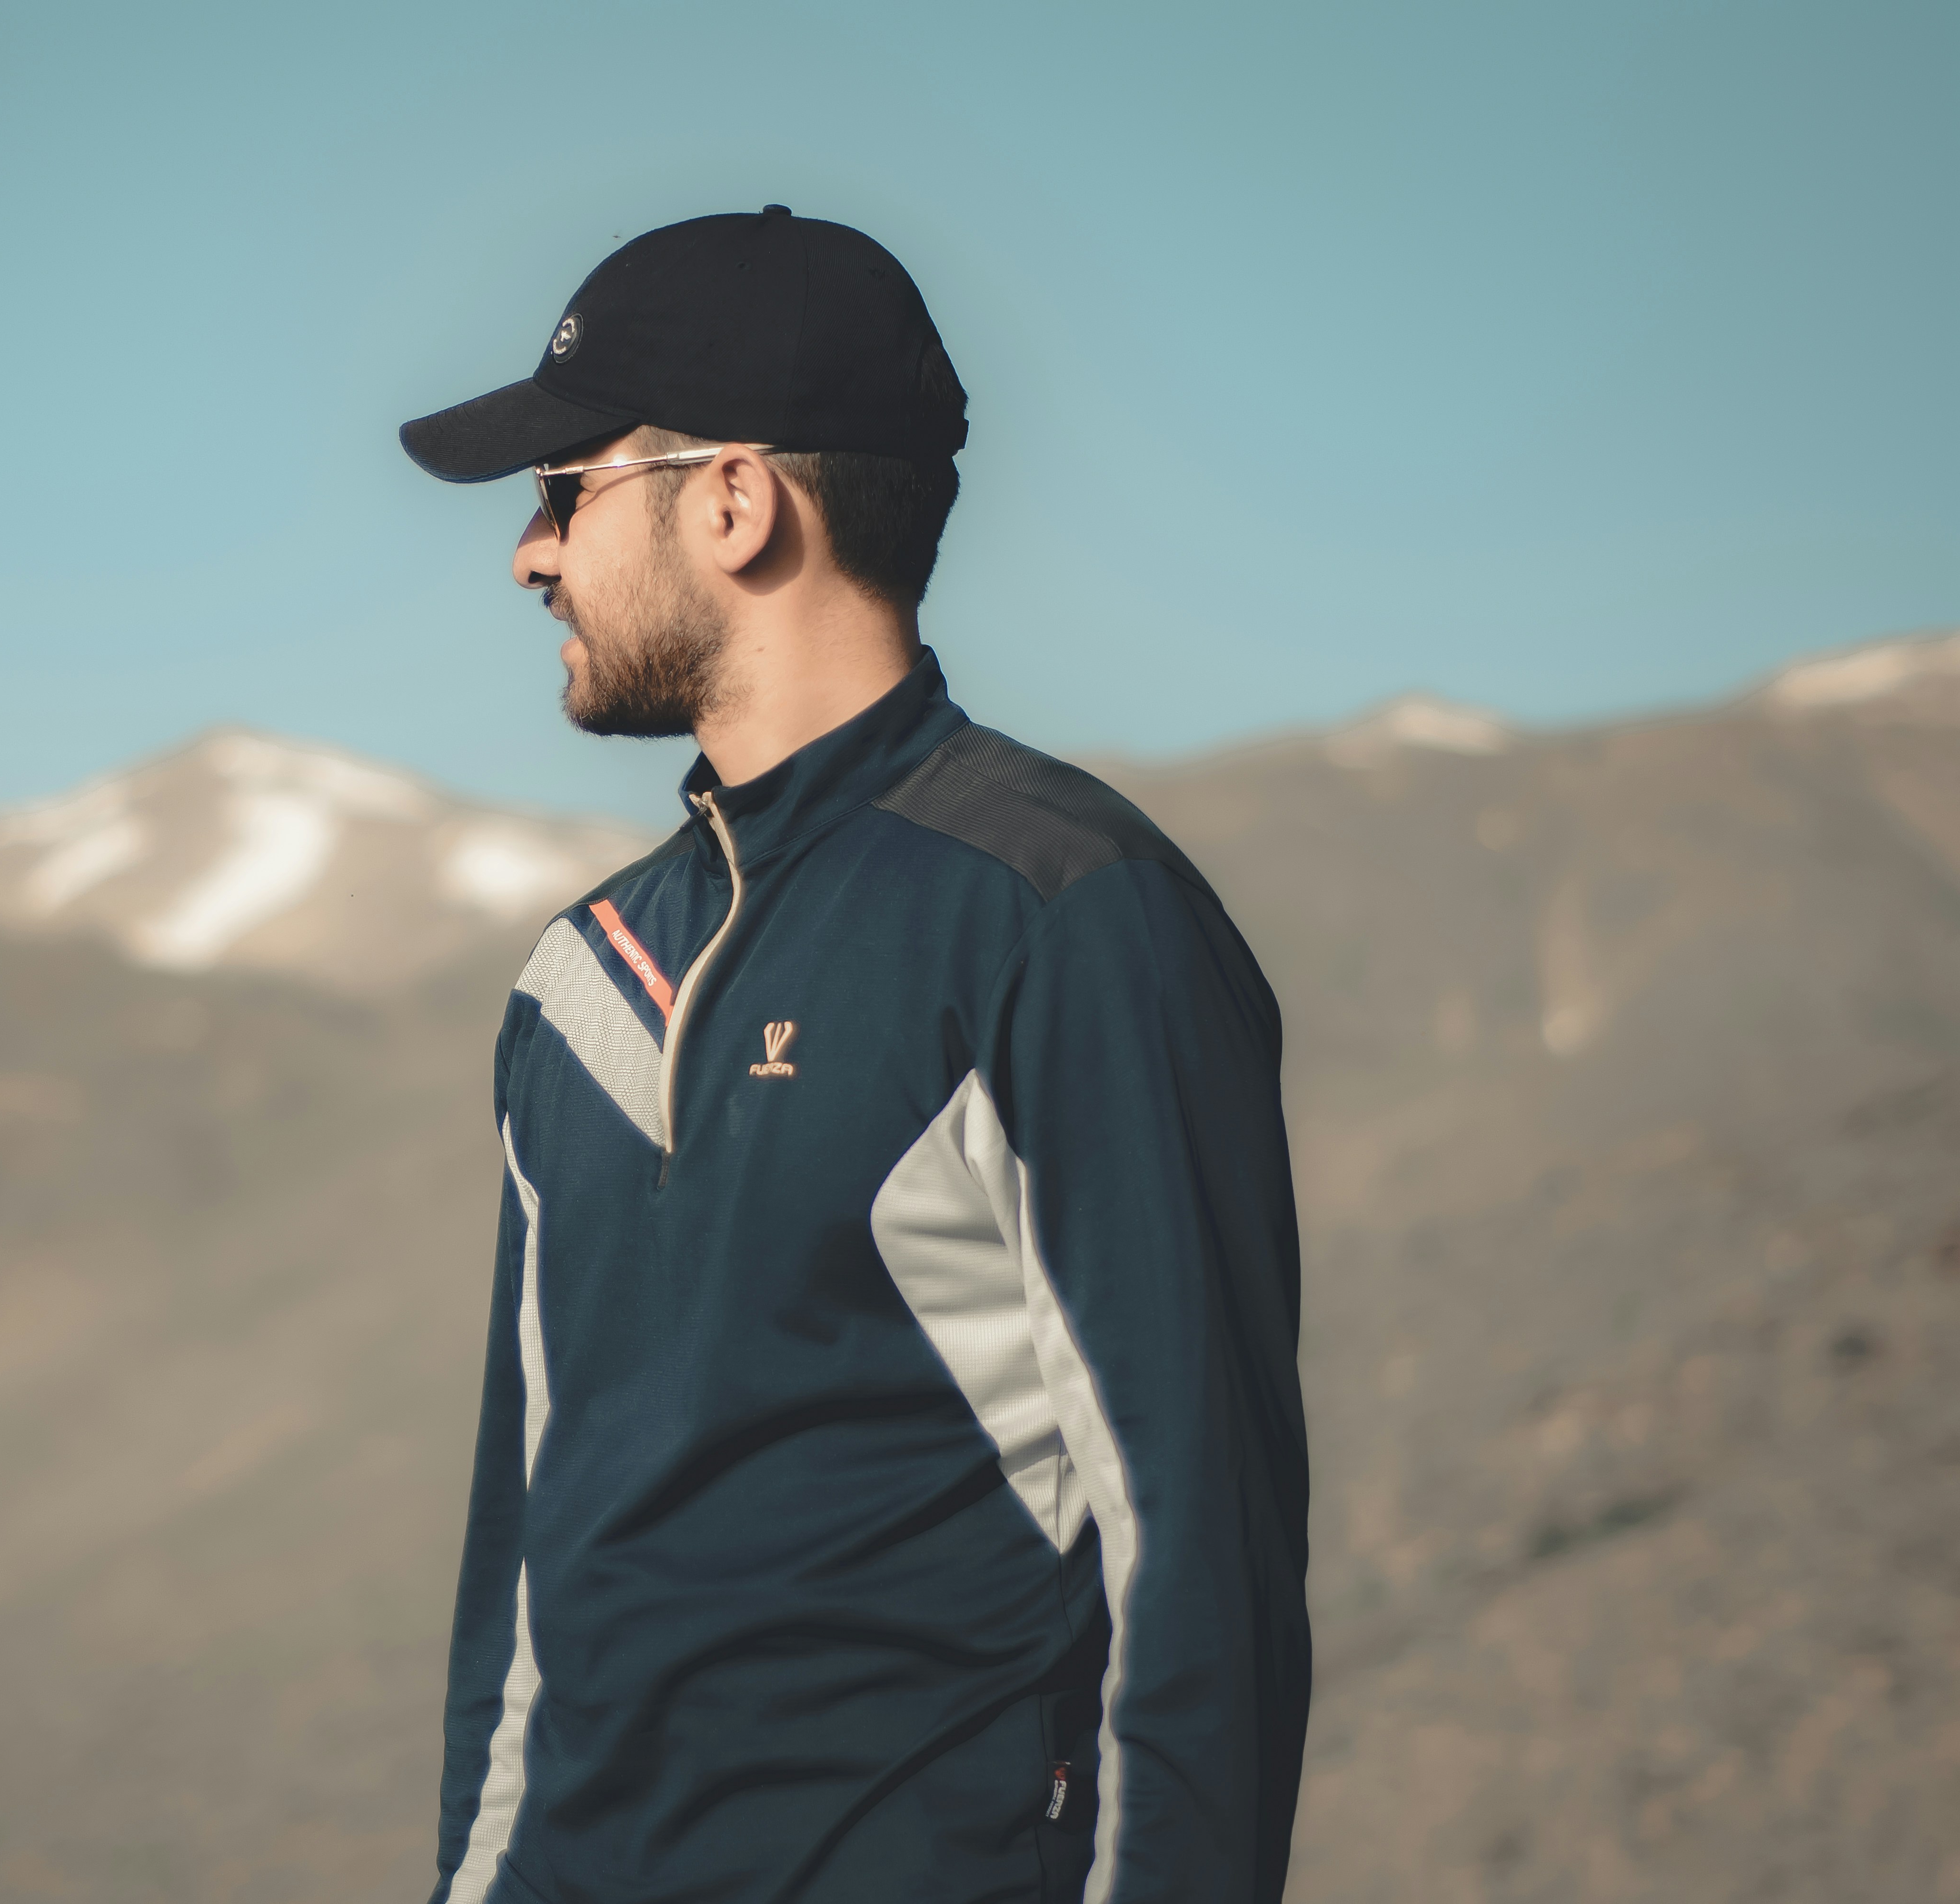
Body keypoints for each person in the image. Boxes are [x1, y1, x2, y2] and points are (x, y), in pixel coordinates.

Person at [396, 208, 1309, 1904]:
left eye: (563, 492)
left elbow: (1204, 1563)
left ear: (734, 501)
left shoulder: (1061, 920)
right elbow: (520, 1582)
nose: (528, 556)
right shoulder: (570, 986)